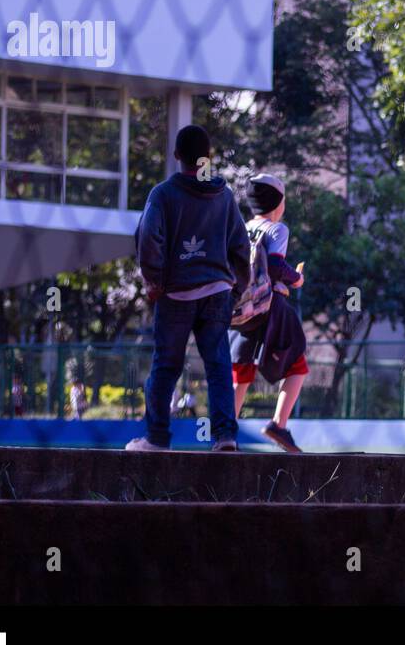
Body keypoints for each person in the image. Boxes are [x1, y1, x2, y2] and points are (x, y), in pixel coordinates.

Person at [127, 125, 250, 453]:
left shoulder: (163, 194)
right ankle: (225, 436)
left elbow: (148, 238)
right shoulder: (224, 196)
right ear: (208, 156)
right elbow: (241, 245)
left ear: (177, 155)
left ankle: (156, 439)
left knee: (166, 367)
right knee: (219, 365)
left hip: (177, 294)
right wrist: (237, 289)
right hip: (217, 293)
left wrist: (156, 281)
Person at [229, 173, 309, 454]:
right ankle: (279, 423)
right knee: (298, 359)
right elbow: (275, 266)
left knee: (241, 368)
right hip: (269, 309)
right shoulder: (277, 229)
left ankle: (226, 432)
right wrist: (295, 280)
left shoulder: (241, 227)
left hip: (239, 309)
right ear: (278, 203)